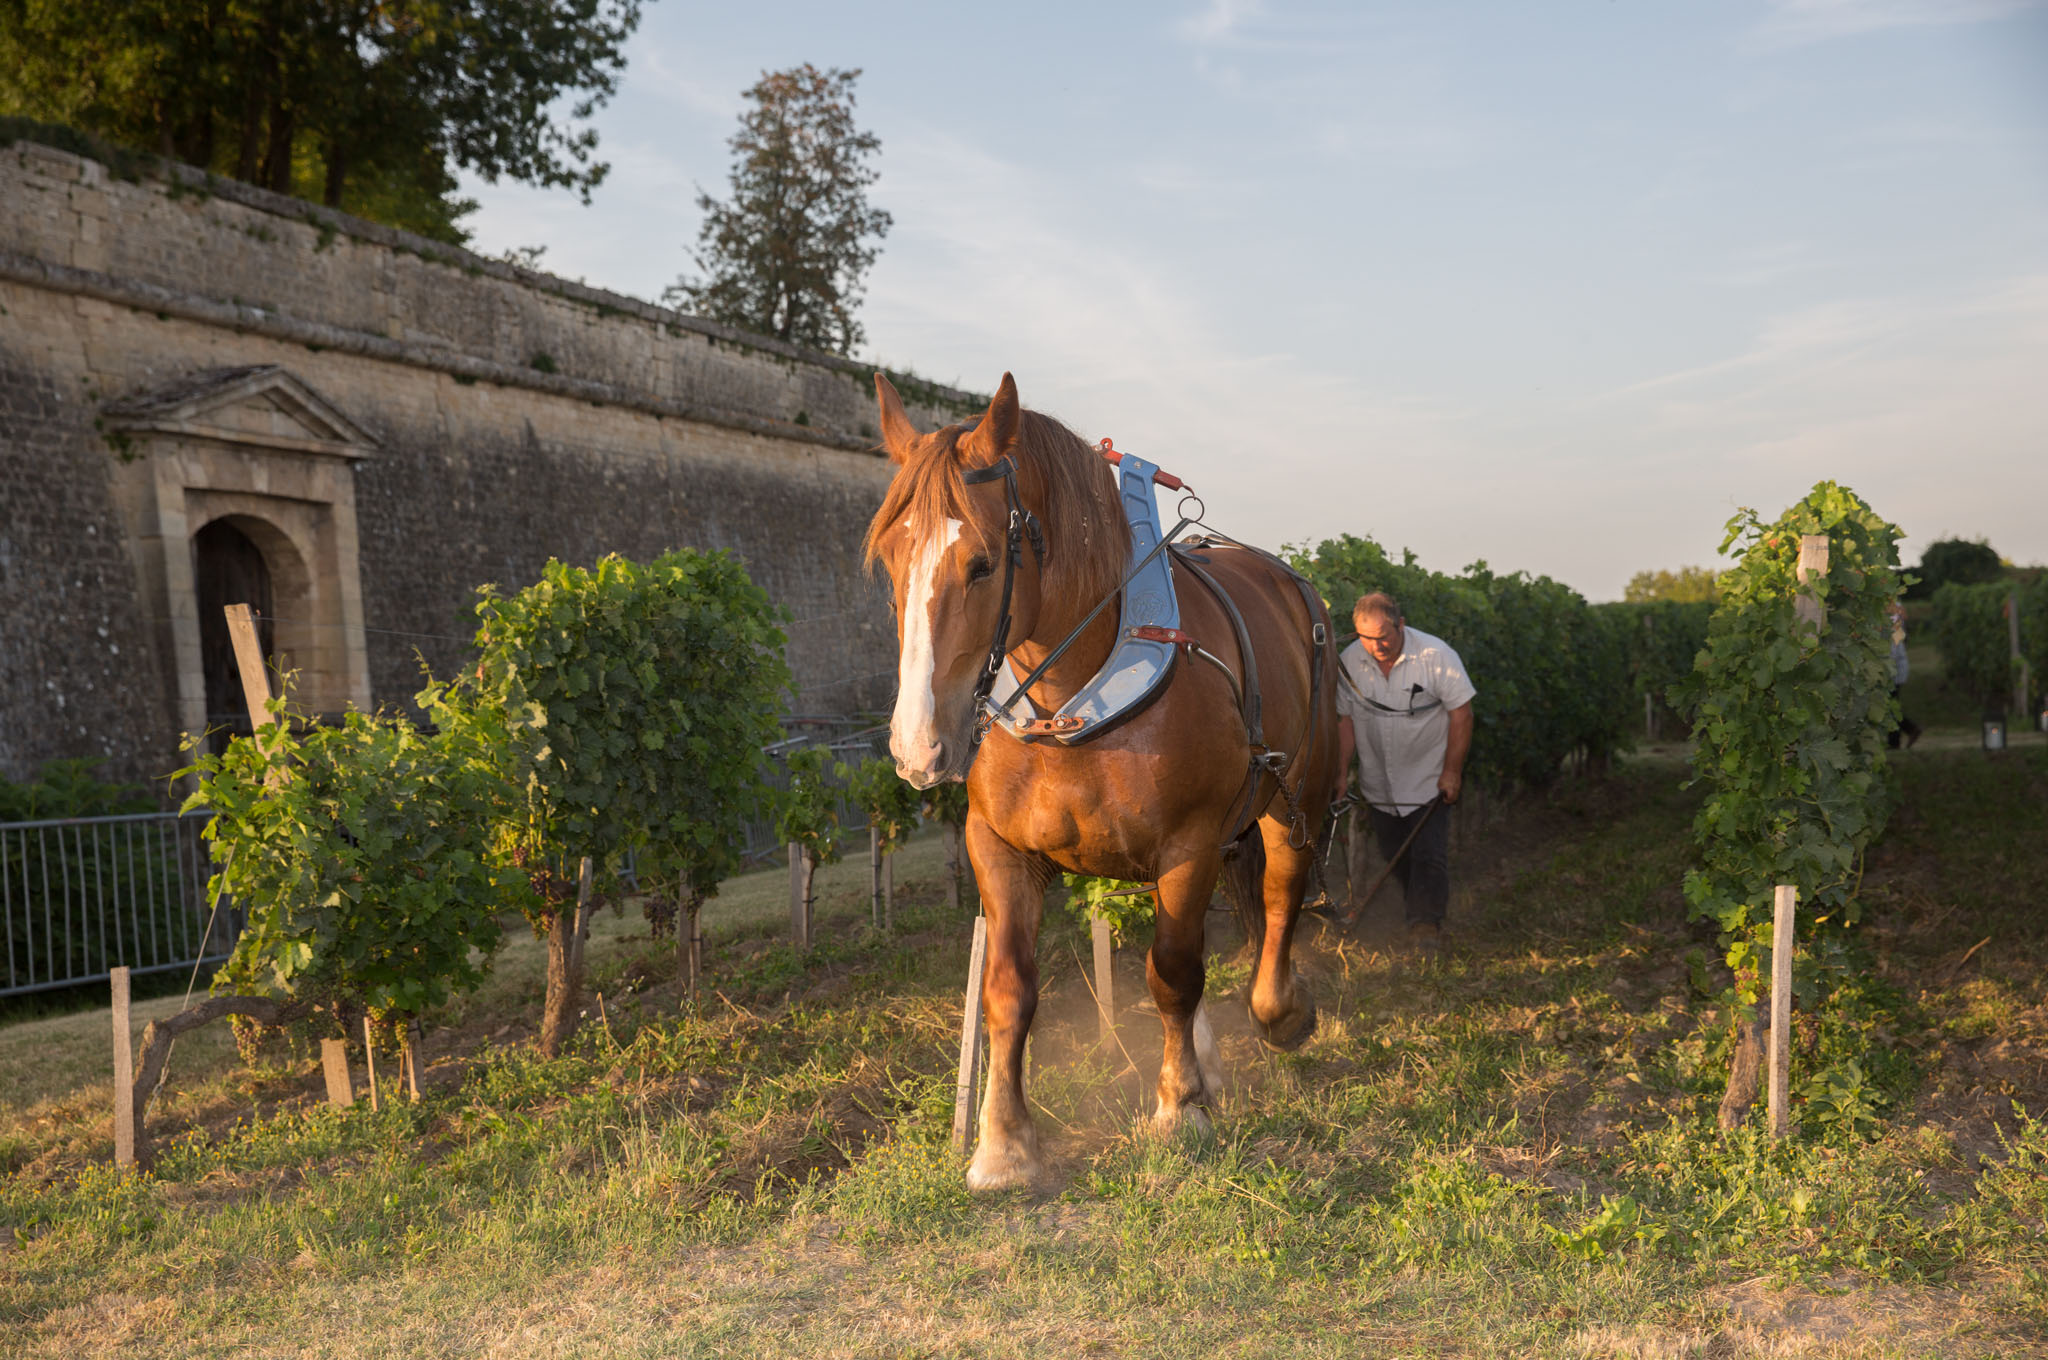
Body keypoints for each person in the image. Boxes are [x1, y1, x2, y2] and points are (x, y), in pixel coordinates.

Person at [1335, 592, 1475, 952]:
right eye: (1366, 638)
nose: (1376, 646)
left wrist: (1452, 772)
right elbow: (1345, 722)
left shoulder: (1436, 655)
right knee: (1394, 852)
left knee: (1428, 854)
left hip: (1428, 780)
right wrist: (1340, 774)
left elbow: (1461, 714)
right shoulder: (1348, 663)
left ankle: (1425, 926)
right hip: (1379, 785)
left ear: (1400, 624)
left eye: (1383, 636)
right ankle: (1418, 907)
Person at [1888, 602, 1922, 749]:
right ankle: (1897, 739)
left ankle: (1907, 732)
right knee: (1890, 704)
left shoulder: (1894, 612)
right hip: (1892, 665)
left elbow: (1896, 642)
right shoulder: (1895, 608)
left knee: (1890, 705)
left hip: (1893, 667)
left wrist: (1888, 664)